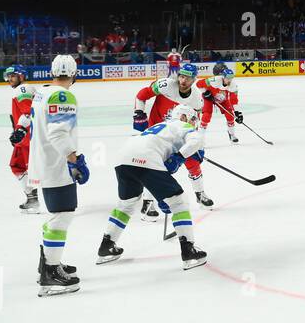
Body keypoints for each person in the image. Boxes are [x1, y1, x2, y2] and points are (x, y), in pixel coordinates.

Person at [97, 104, 207, 271]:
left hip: (123, 158)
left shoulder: (159, 127)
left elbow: (151, 165)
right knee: (179, 202)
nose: (193, 123)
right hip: (146, 158)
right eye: (192, 119)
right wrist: (180, 156)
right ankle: (189, 251)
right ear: (184, 117)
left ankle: (106, 247)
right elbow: (197, 140)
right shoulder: (181, 124)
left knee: (126, 205)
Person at [29, 54, 90, 296]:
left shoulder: (42, 92)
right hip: (55, 165)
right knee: (62, 215)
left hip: (44, 162)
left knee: (58, 213)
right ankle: (50, 274)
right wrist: (75, 160)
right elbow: (57, 134)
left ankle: (47, 263)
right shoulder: (63, 95)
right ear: (75, 74)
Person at [134, 62, 211, 210]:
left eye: (187, 78)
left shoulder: (196, 99)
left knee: (193, 162)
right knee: (153, 167)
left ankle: (200, 194)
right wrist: (138, 112)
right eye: (181, 76)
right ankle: (147, 202)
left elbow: (194, 120)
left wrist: (196, 145)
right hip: (158, 133)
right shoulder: (165, 85)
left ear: (194, 80)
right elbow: (141, 95)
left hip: (178, 134)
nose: (183, 81)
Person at [5, 64, 37, 214]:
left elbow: (27, 113)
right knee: (18, 166)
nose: (10, 79)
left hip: (27, 137)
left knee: (29, 169)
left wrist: (20, 131)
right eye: (9, 76)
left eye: (13, 76)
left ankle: (34, 199)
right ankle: (32, 198)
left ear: (22, 76)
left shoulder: (22, 89)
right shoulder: (24, 89)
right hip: (25, 137)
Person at [197, 62, 242, 143]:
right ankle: (200, 137)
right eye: (227, 78)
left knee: (230, 115)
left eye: (231, 78)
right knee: (206, 115)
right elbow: (198, 84)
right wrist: (205, 92)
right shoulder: (213, 80)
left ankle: (231, 134)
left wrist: (238, 112)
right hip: (209, 98)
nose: (229, 80)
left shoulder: (233, 85)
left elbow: (234, 99)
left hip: (223, 99)